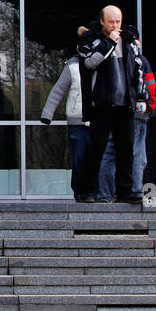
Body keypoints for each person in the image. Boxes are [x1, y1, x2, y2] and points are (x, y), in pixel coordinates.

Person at [77, 5, 148, 204]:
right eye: (111, 22)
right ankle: (87, 190)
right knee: (97, 148)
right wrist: (109, 42)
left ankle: (125, 191)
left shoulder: (129, 41)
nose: (115, 25)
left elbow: (139, 69)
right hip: (102, 104)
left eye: (118, 21)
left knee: (126, 149)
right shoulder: (91, 40)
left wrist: (141, 97)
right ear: (102, 21)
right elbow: (91, 63)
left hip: (124, 105)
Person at [97, 29, 155, 202]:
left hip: (116, 112)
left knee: (108, 154)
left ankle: (105, 195)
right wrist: (148, 105)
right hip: (135, 114)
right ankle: (136, 191)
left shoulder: (112, 58)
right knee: (136, 154)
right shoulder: (139, 60)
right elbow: (150, 86)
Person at [39, 32, 93, 202]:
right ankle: (79, 190)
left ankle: (93, 190)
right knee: (78, 158)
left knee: (96, 159)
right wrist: (47, 114)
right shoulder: (72, 66)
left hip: (97, 120)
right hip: (77, 120)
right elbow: (58, 90)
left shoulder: (101, 63)